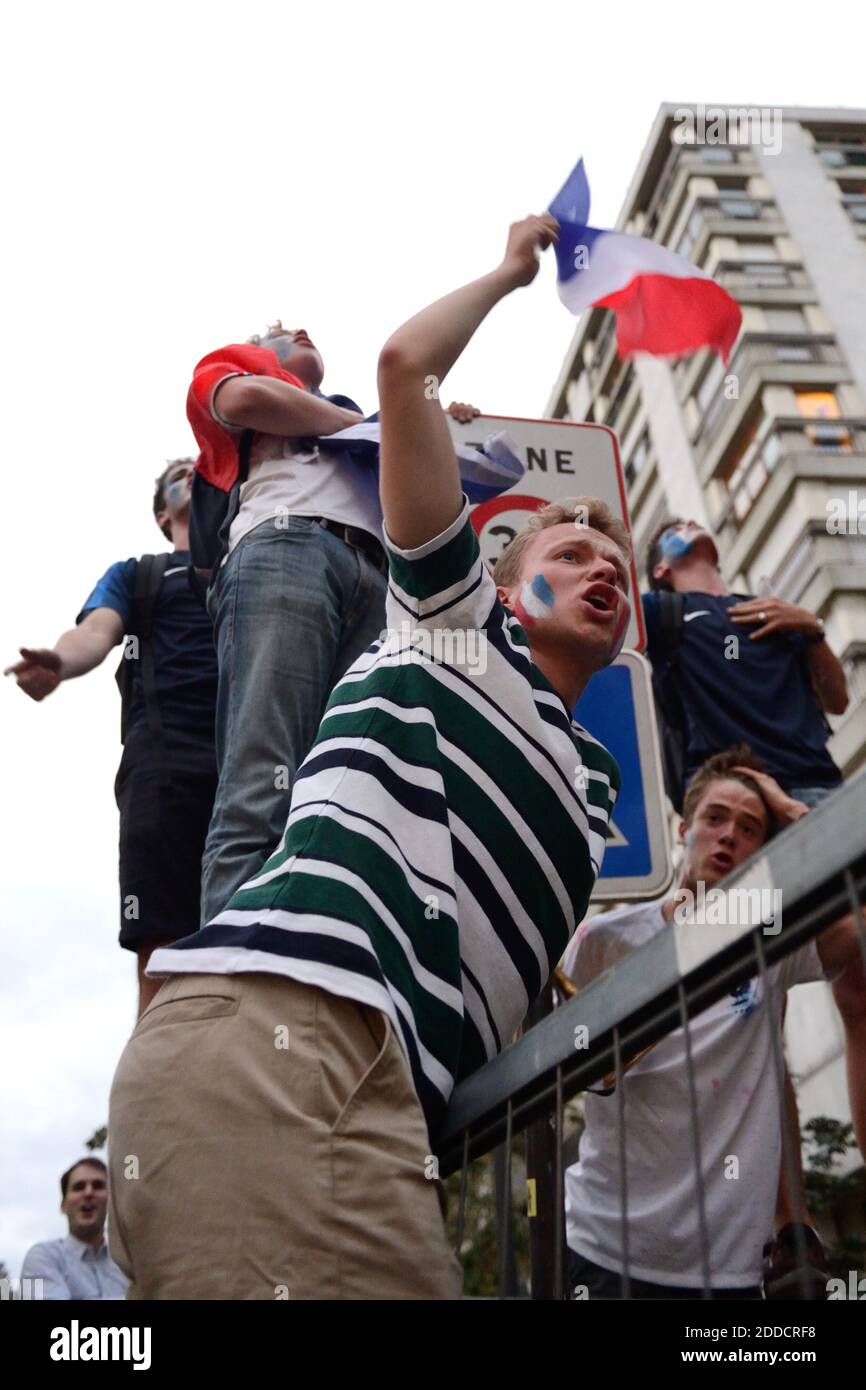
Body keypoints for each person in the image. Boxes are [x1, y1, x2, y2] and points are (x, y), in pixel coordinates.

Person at [107, 211, 627, 1300]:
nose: (603, 569)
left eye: (614, 559)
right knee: (259, 781)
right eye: (569, 551)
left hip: (370, 1104)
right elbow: (405, 371)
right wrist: (508, 269)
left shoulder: (592, 789)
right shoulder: (455, 627)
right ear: (497, 577)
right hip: (282, 1049)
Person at [189, 323, 479, 924]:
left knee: (356, 789)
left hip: (380, 583)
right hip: (285, 547)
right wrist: (388, 427)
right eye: (277, 330)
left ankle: (328, 956)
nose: (296, 330)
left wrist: (435, 430)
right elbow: (248, 401)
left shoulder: (365, 421)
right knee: (260, 781)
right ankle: (223, 977)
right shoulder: (236, 369)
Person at [562, 746, 866, 1299]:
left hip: (730, 1272)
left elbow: (856, 922)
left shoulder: (773, 943)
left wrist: (795, 817)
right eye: (715, 818)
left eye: (749, 828)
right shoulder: (606, 941)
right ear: (684, 828)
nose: (728, 835)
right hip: (603, 1247)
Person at [5, 459, 218, 1016]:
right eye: (180, 472)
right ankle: (159, 1096)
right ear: (160, 511)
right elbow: (95, 632)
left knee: (264, 960)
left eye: (203, 466)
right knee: (163, 962)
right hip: (164, 776)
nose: (192, 473)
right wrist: (60, 661)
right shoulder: (138, 575)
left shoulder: (259, 563)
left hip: (261, 766)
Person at [643, 516, 847, 811]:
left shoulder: (776, 612)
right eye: (675, 531)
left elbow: (837, 702)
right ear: (661, 569)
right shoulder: (661, 612)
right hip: (732, 797)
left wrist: (813, 629)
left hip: (817, 786)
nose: (689, 521)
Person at [20, 1158, 128, 1300]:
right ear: (63, 1205)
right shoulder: (42, 1257)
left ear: (112, 1201)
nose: (89, 1193)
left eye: (98, 1185)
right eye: (78, 1187)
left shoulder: (128, 1265)